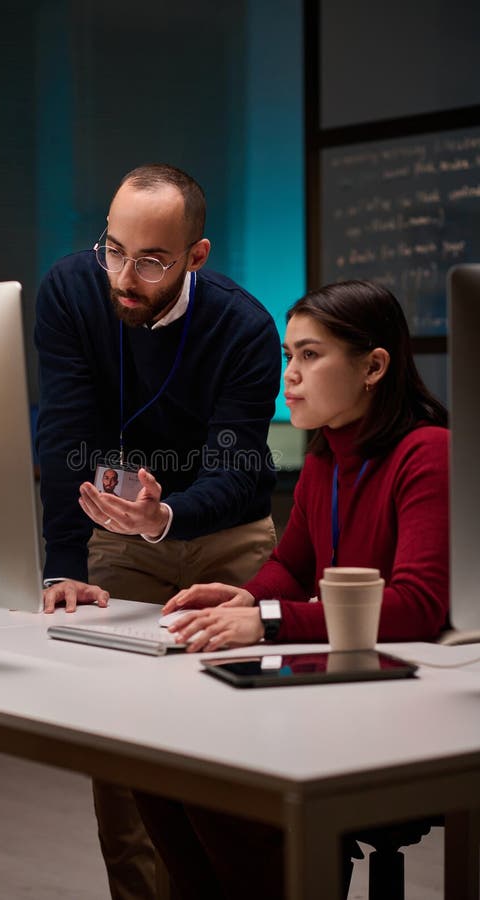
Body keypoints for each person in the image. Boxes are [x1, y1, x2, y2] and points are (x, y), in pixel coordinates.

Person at [133, 278, 450, 898]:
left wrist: (271, 621)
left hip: (405, 704)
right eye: (288, 356)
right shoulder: (326, 460)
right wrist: (244, 597)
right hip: (338, 687)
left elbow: (416, 607)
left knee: (217, 775)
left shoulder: (428, 454)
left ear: (374, 367)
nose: (291, 374)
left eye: (311, 354)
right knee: (159, 761)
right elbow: (293, 566)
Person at [34, 163, 281, 900]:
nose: (124, 276)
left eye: (151, 260)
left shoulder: (245, 325)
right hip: (118, 528)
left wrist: (166, 515)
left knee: (236, 753)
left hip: (226, 533)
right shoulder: (73, 292)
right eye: (113, 249)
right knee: (124, 767)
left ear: (195, 258)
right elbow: (66, 434)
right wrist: (62, 566)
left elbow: (240, 470)